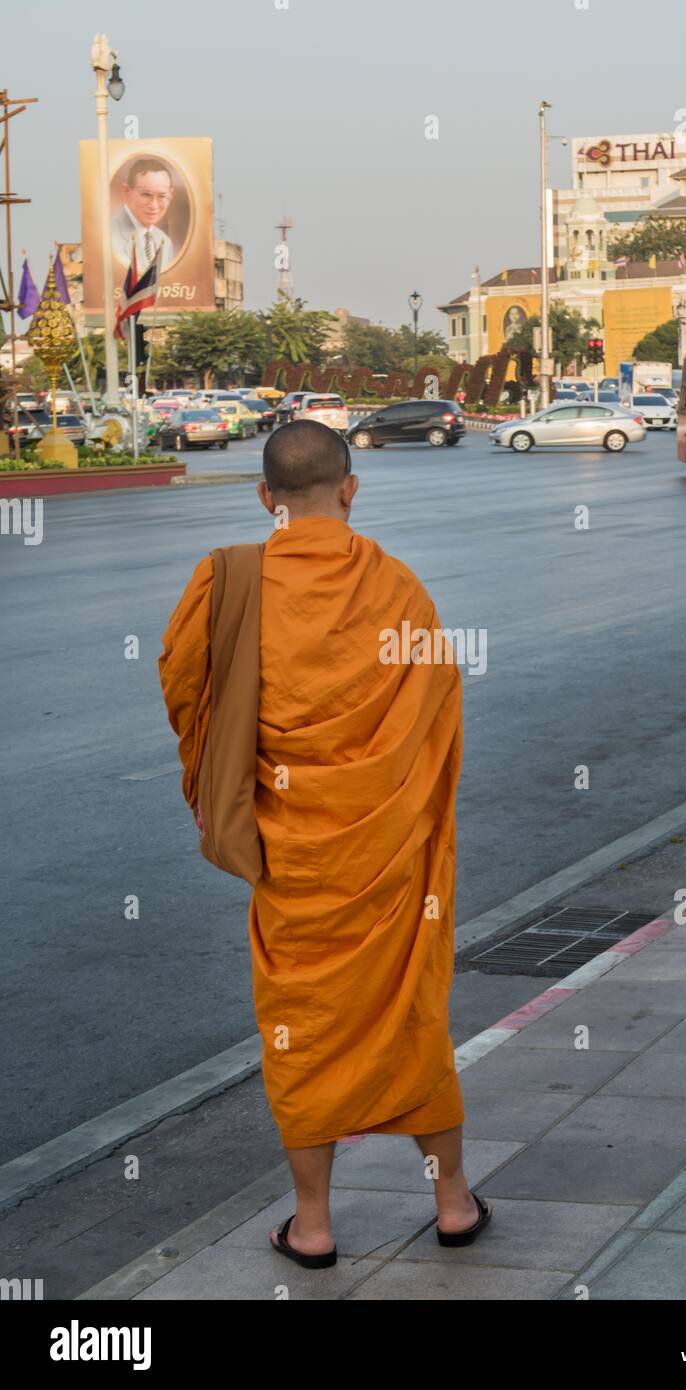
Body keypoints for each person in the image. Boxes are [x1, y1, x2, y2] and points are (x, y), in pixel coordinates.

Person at [158, 420, 491, 1266]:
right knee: (414, 1018)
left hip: (294, 857)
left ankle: (313, 1224)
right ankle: (451, 1201)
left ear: (266, 497)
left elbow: (184, 686)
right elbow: (436, 716)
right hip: (390, 856)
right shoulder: (396, 585)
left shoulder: (228, 580)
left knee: (300, 1026)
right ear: (350, 488)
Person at [111, 158, 176, 272]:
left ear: (170, 195)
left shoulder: (165, 242)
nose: (154, 206)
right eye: (146, 195)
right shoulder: (105, 236)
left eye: (161, 196)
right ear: (126, 191)